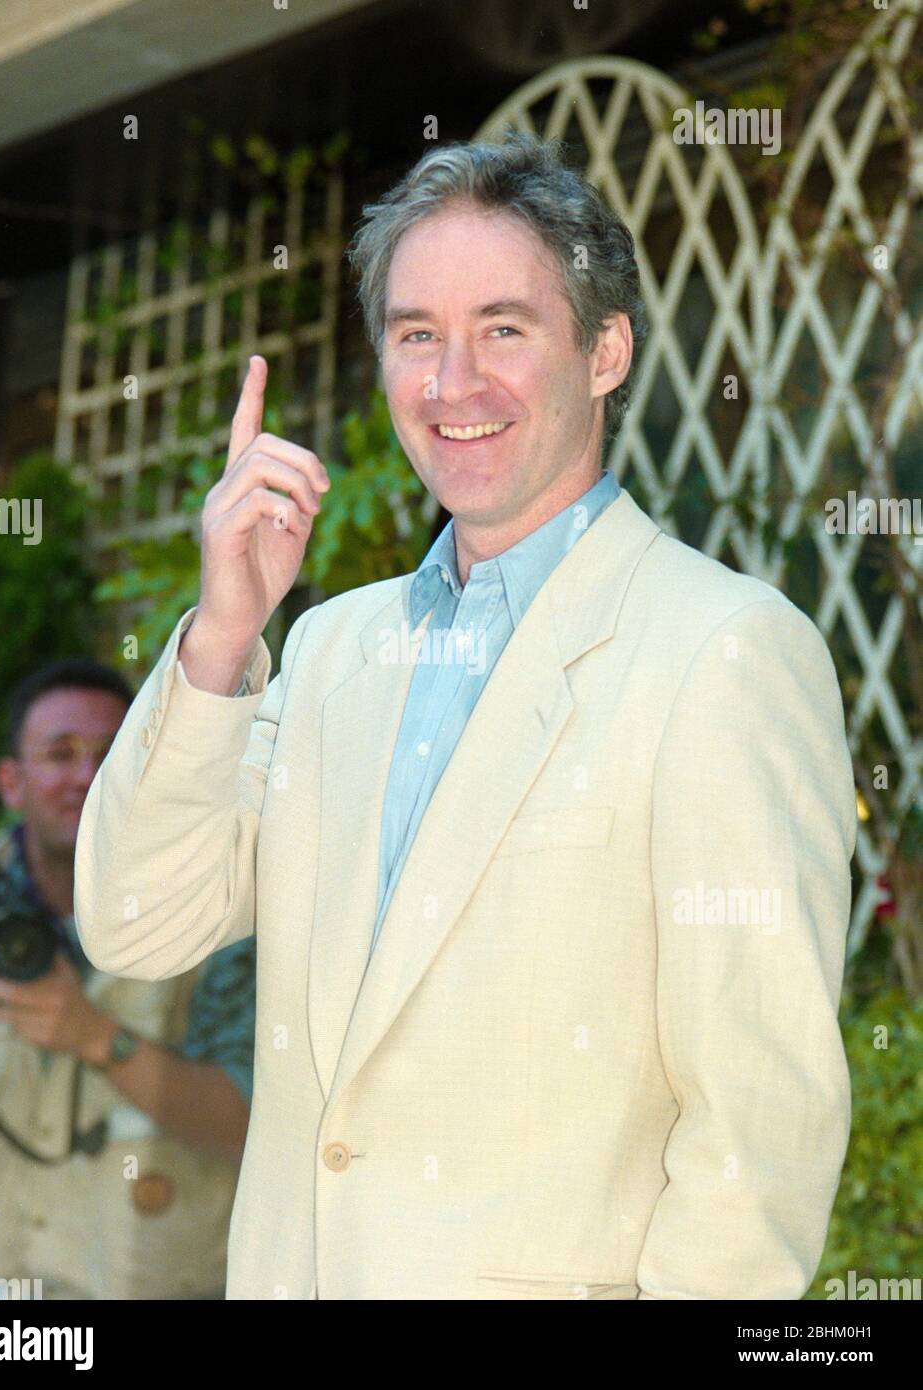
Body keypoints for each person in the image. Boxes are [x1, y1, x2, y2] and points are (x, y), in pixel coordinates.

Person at [73, 133, 857, 1300]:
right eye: (416, 335)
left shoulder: (723, 652)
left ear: (606, 350)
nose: (453, 384)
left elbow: (763, 1124)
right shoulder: (334, 647)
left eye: (503, 328)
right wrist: (223, 635)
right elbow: (136, 923)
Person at [0, 658, 257, 1299]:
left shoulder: (220, 904)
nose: (86, 777)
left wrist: (98, 1038)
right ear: (9, 781)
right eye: (60, 754)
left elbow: (251, 1128)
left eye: (112, 752)